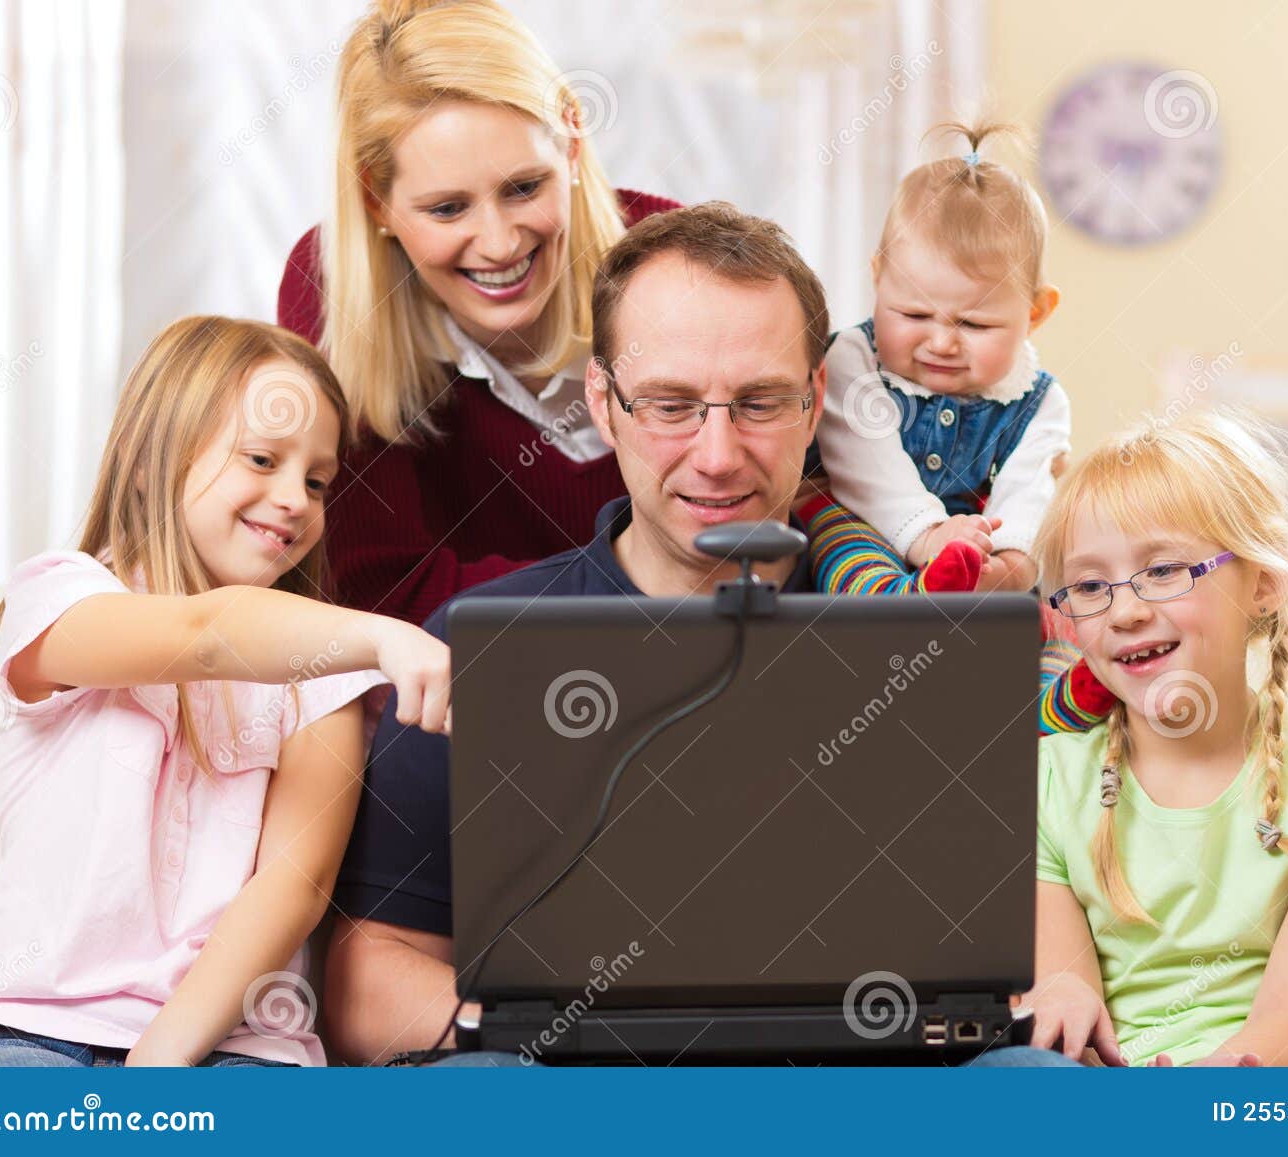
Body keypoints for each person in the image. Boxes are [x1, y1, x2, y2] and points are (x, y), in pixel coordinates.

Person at [321, 203, 1076, 1068]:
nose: (717, 456)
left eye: (758, 403)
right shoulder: (477, 645)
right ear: (603, 404)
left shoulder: (941, 634)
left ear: (817, 399)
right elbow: (365, 978)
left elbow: (1047, 919)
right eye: (672, 406)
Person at [0, 317, 452, 1068]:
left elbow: (293, 884)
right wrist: (379, 633)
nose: (295, 499)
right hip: (33, 1024)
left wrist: (161, 1061)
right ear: (151, 462)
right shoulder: (59, 601)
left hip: (238, 1043)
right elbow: (205, 634)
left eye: (316, 480)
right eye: (263, 459)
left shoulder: (328, 671)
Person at [1021, 409, 1288, 1066]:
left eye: (1164, 570)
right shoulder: (1046, 777)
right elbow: (1063, 993)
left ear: (1262, 582)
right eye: (1089, 585)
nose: (1126, 609)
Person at [276, 0, 678, 626]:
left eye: (523, 189)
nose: (498, 243)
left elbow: (753, 538)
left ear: (572, 142)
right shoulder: (330, 290)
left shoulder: (677, 261)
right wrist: (638, 580)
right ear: (375, 200)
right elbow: (377, 594)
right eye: (447, 209)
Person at [810, 120, 1068, 596]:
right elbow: (866, 464)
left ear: (1035, 312)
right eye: (912, 314)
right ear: (877, 280)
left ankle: (1056, 663)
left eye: (973, 324)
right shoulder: (853, 358)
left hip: (980, 545)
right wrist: (930, 534)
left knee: (1062, 576)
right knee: (841, 539)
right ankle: (903, 603)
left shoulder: (1039, 399)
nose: (943, 343)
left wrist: (1010, 562)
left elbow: (1028, 489)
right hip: (869, 519)